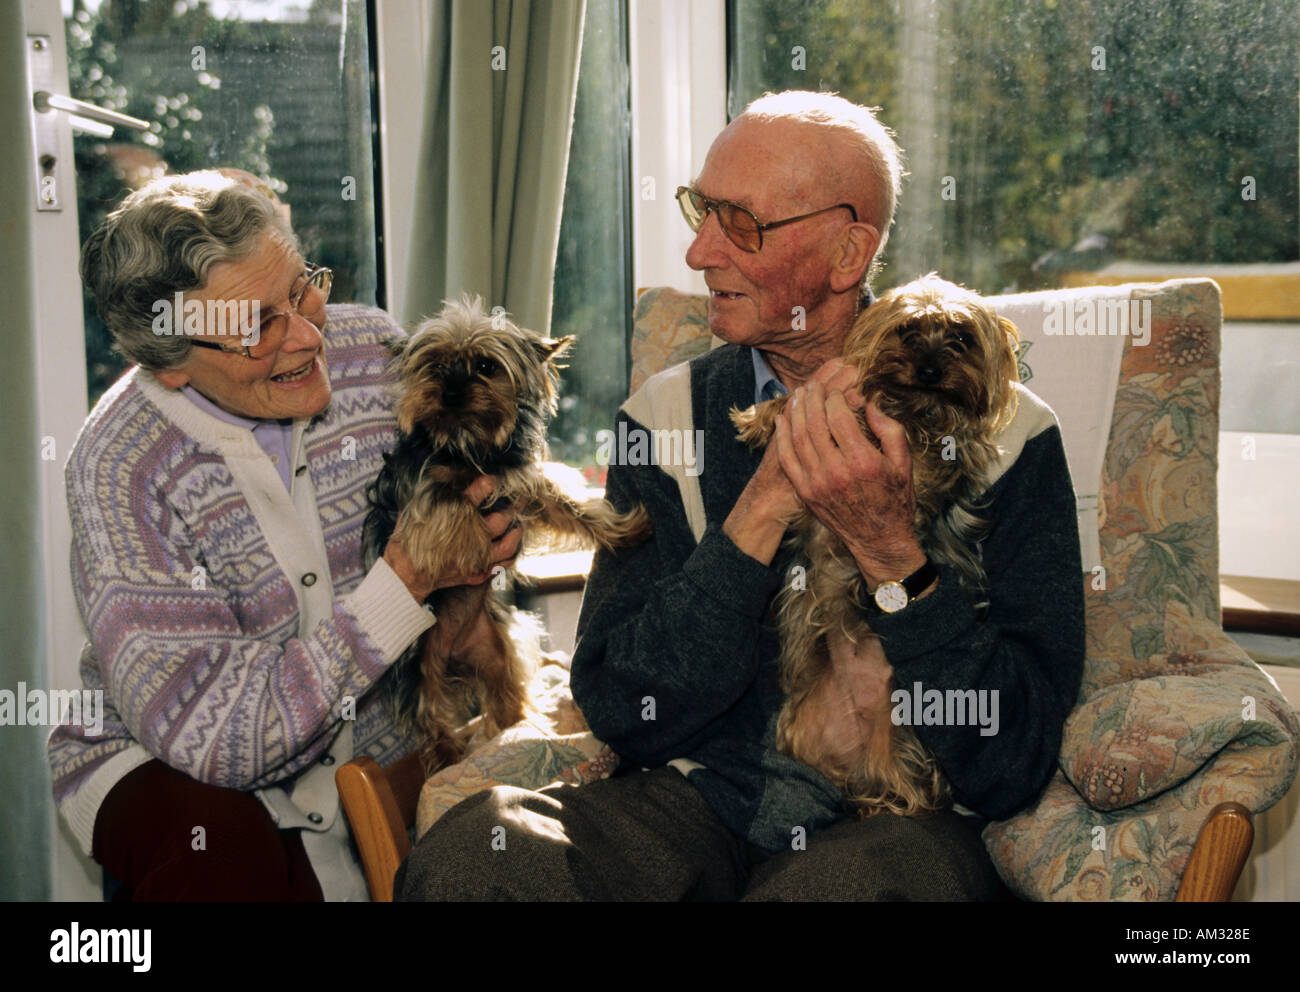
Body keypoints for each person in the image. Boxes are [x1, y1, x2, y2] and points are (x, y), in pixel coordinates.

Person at [395, 90, 1086, 901]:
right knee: (482, 853)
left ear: (846, 254)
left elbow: (1011, 760)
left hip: (900, 818)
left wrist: (894, 556)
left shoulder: (1010, 439)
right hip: (696, 802)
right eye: (700, 210)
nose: (697, 253)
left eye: (740, 223)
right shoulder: (664, 418)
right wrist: (756, 515)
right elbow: (623, 706)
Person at [47, 170, 522, 901]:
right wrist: (402, 588)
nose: (306, 335)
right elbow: (222, 738)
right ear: (169, 366)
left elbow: (490, 480)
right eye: (253, 325)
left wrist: (486, 538)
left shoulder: (375, 354)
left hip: (375, 735)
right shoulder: (120, 468)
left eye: (302, 289)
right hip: (177, 758)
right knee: (222, 863)